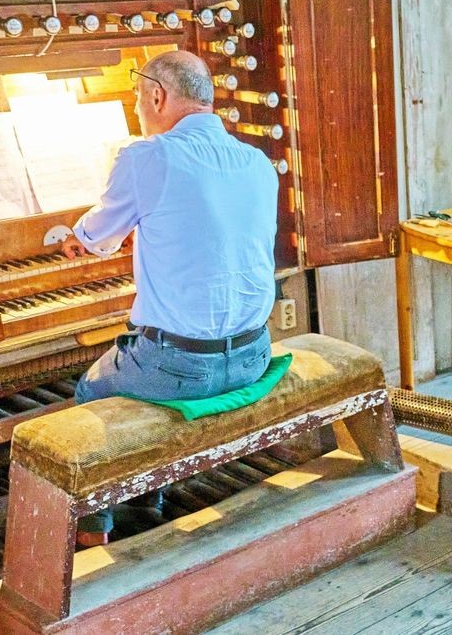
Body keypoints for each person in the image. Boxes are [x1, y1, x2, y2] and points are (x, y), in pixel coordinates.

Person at [63, 50, 278, 546]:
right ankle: (148, 501)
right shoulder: (257, 161)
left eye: (138, 99)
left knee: (89, 394)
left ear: (157, 95)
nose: (139, 110)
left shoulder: (149, 156)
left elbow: (97, 239)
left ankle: (93, 542)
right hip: (253, 352)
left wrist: (71, 237)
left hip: (181, 367)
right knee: (144, 365)